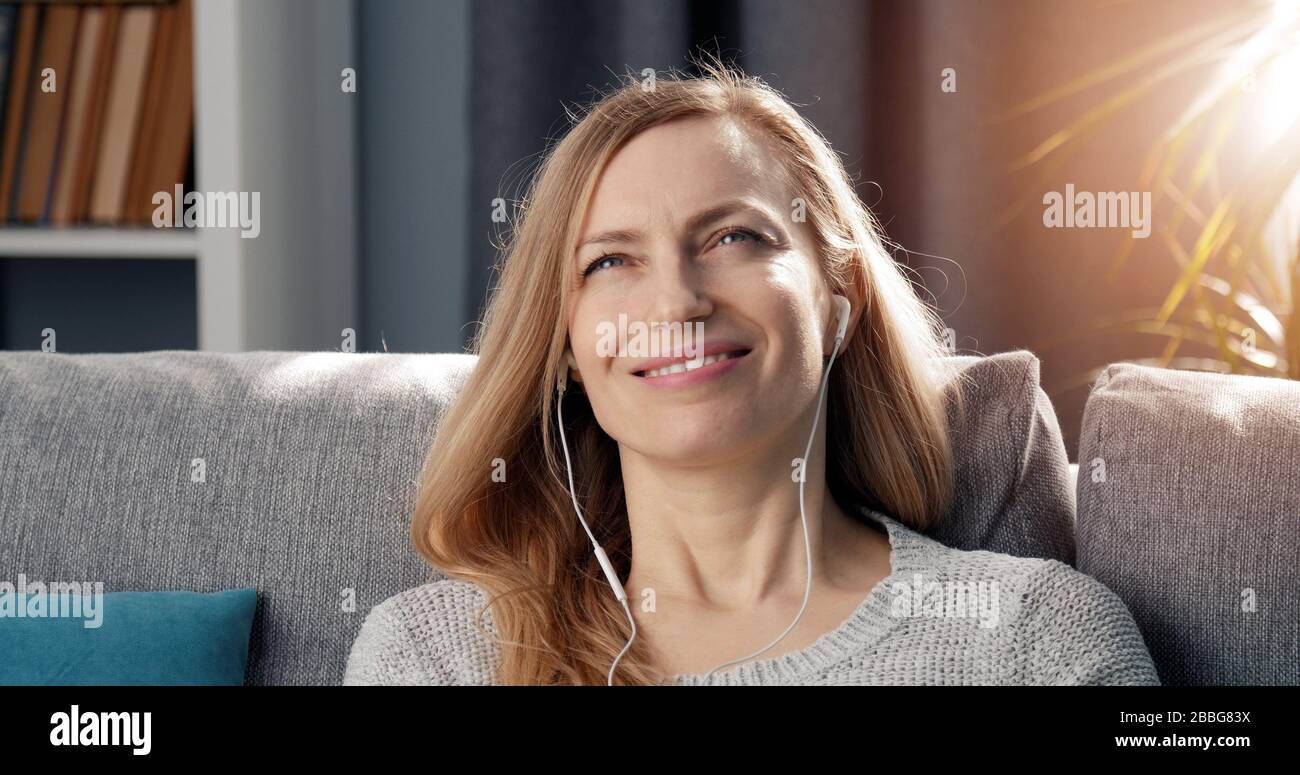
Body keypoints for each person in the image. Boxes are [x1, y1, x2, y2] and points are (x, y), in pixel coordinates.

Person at [343, 57, 1159, 686]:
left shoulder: (1040, 638)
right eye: (611, 261)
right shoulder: (431, 655)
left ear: (840, 300)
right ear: (564, 351)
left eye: (734, 237)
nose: (675, 303)